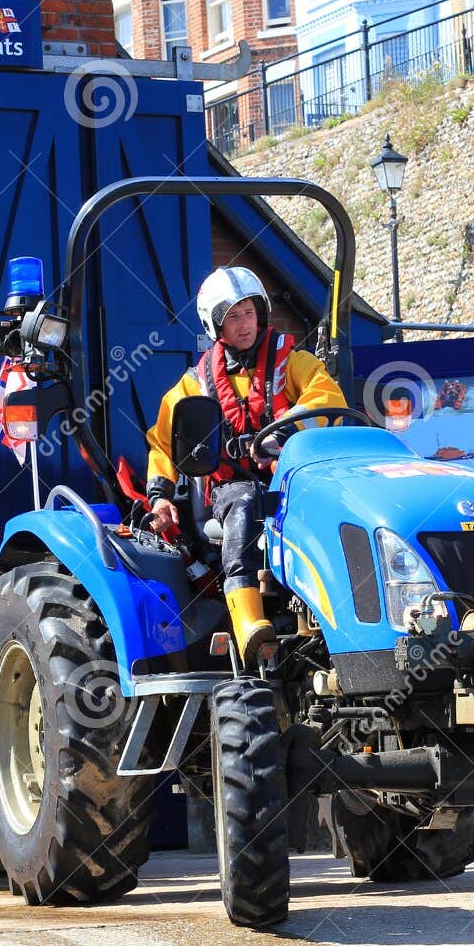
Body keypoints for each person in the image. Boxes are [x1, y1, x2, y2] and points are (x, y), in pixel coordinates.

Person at [145, 266, 346, 659]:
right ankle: (248, 620)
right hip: (229, 490)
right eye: (234, 316)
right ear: (216, 325)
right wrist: (159, 497)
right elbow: (162, 443)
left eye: (250, 313)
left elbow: (329, 397)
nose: (244, 324)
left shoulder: (295, 362)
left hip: (293, 480)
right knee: (245, 499)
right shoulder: (193, 383)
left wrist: (283, 432)